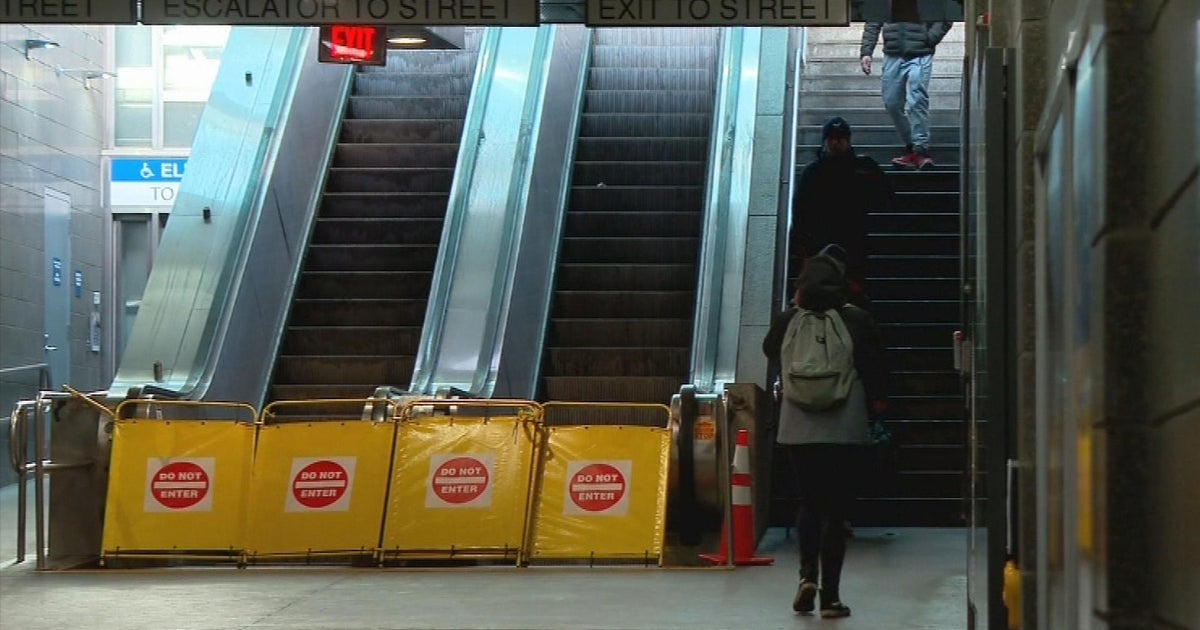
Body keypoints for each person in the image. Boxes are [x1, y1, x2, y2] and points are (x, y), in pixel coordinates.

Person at [762, 254, 888, 618]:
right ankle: (831, 599)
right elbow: (874, 365)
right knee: (836, 509)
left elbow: (770, 350)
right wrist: (878, 402)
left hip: (798, 423)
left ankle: (806, 577)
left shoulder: (788, 320)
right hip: (844, 423)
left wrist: (795, 311)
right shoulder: (856, 320)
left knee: (809, 501)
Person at [790, 116, 891, 306]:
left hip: (854, 245)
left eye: (841, 138)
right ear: (825, 141)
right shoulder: (812, 172)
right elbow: (799, 209)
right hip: (820, 245)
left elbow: (885, 197)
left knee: (851, 296)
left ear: (848, 140)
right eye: (832, 139)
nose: (836, 143)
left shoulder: (863, 168)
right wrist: (801, 246)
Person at [860, 2, 954, 170]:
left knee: (917, 99)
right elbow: (873, 21)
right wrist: (866, 52)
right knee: (892, 103)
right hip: (893, 53)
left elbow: (947, 15)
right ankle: (912, 146)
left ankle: (921, 150)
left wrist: (929, 38)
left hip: (920, 53)